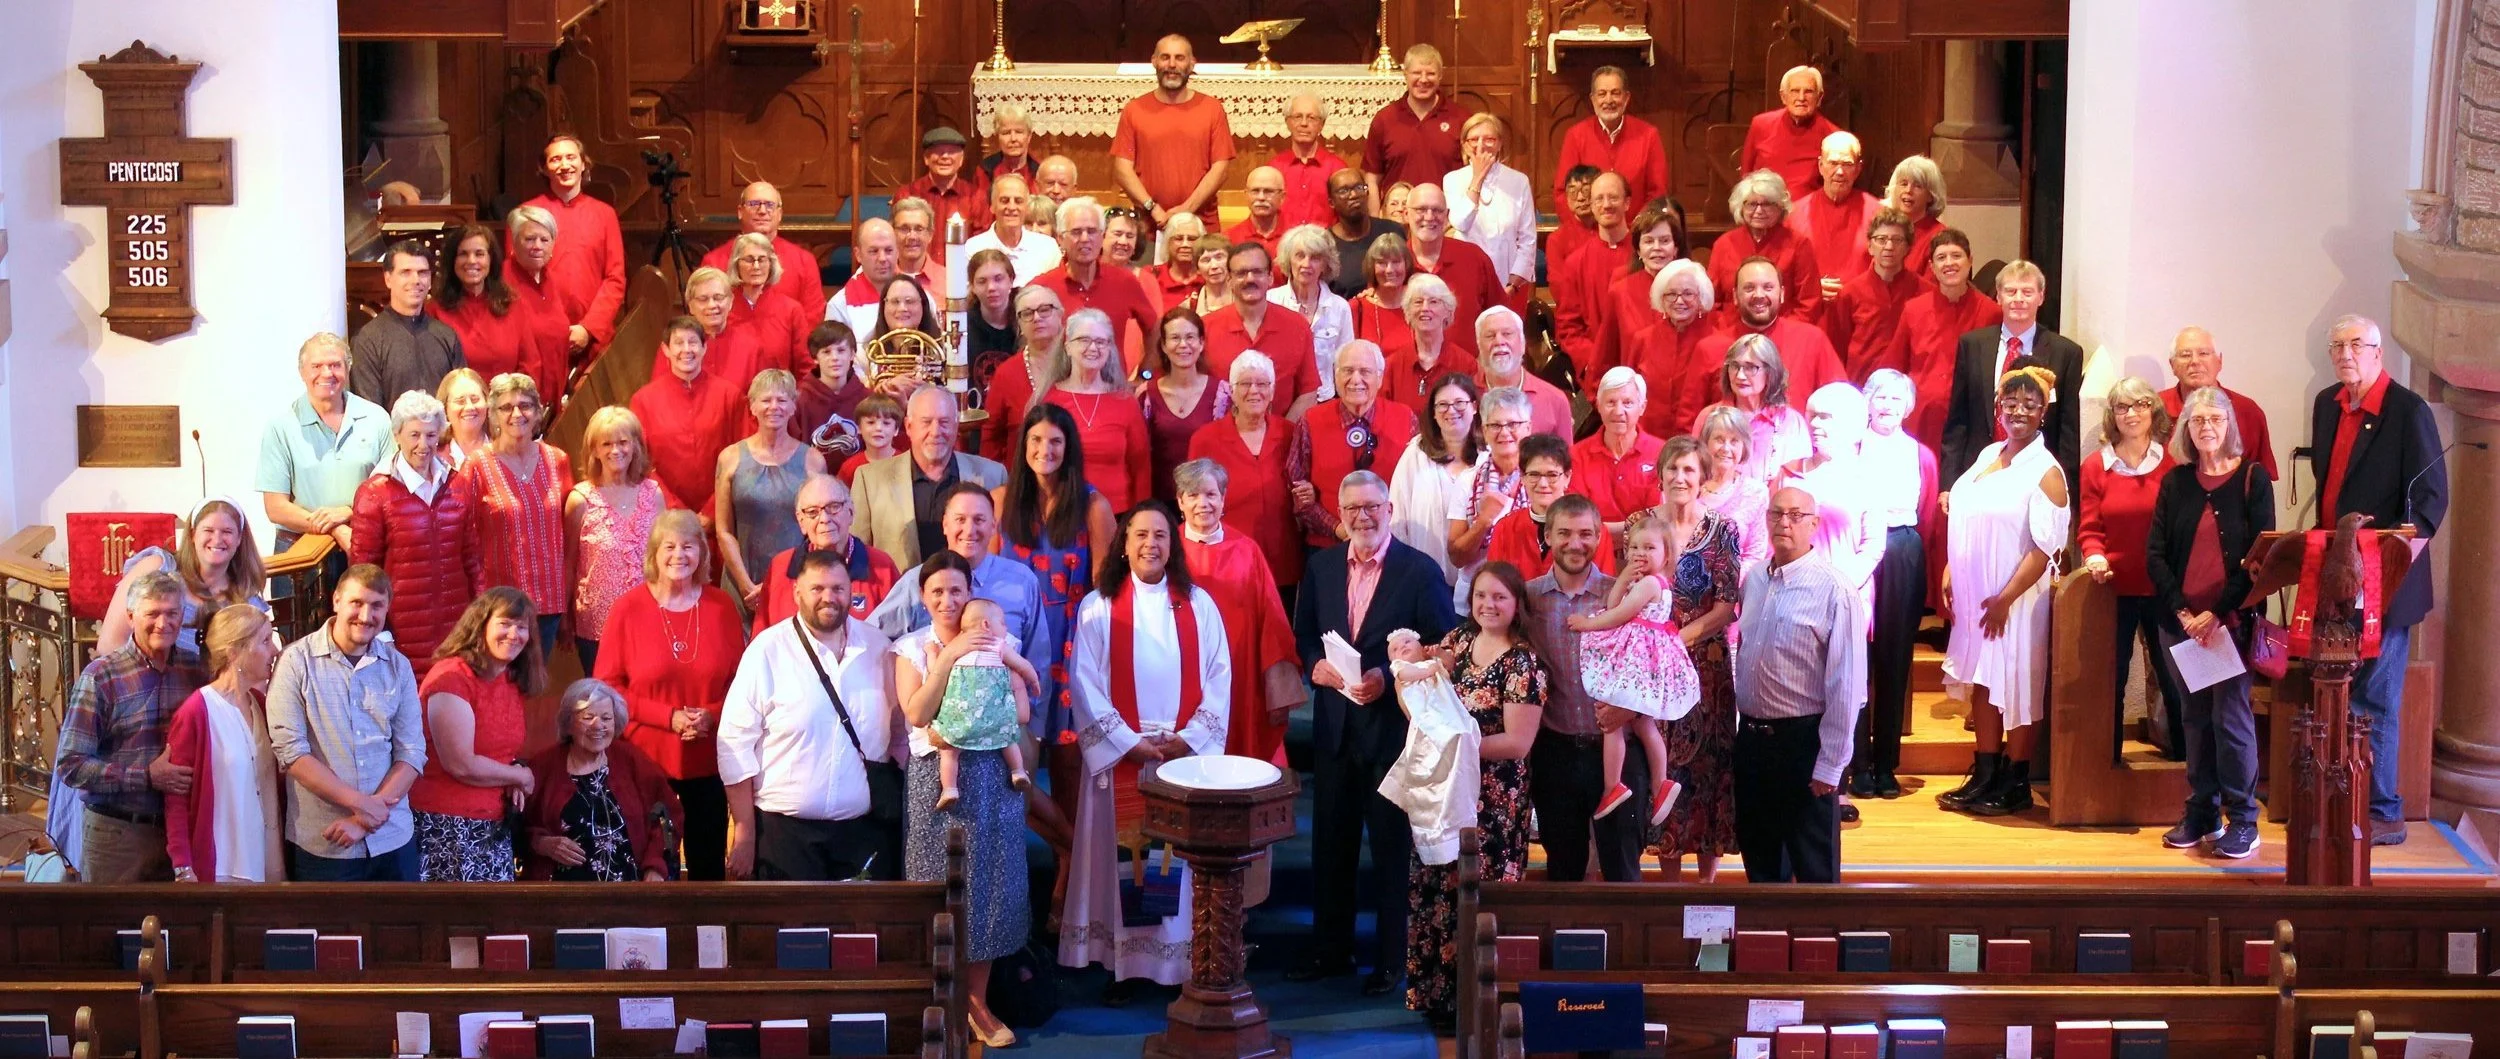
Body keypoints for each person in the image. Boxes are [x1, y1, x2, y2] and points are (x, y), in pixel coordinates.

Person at [1058, 501, 1232, 1001]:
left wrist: (1191, 737)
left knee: (1174, 864)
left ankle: (1175, 967)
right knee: (1128, 861)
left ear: (1172, 543)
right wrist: (1130, 744)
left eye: (1160, 534)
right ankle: (1127, 965)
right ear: (1124, 543)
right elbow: (1085, 683)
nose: (1150, 544)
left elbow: (1220, 674)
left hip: (1181, 753)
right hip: (1124, 759)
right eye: (1140, 535)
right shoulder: (1098, 605)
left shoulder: (1198, 604)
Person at [1291, 472, 1456, 995]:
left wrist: (1387, 677)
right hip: (1336, 730)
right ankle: (1329, 952)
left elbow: (1442, 644)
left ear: (1389, 509)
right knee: (1329, 847)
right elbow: (1304, 637)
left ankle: (1392, 962)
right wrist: (1315, 664)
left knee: (1390, 850)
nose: (1362, 516)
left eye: (1371, 507)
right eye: (1352, 507)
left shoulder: (1419, 570)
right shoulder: (1319, 567)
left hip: (1393, 733)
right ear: (1339, 512)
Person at [2310, 313, 2446, 845]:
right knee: (2336, 695)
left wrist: (2388, 563)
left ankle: (2383, 808)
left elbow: (2432, 502)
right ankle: (2343, 798)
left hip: (2388, 581)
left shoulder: (2408, 410)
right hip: (2335, 574)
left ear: (2378, 351)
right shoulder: (2327, 404)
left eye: (2357, 345)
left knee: (2375, 696)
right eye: (2337, 346)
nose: (2346, 354)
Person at [890, 553, 1035, 1047]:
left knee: (992, 883)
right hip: (939, 775)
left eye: (957, 590)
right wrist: (948, 657)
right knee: (939, 883)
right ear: (923, 596)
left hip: (994, 770)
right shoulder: (911, 648)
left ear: (971, 590)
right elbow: (916, 713)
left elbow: (1021, 708)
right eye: (937, 592)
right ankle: (937, 995)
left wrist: (1009, 700)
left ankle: (977, 1001)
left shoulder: (1001, 641)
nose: (948, 601)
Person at [1401, 562, 1544, 1034]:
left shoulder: (1523, 662)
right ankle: (1438, 997)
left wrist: (1454, 744)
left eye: (1500, 597)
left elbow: (1518, 744)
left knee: (1478, 893)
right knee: (1437, 885)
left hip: (1493, 799)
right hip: (1444, 791)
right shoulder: (1456, 643)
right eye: (1482, 595)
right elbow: (1419, 697)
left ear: (1517, 603)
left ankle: (1475, 999)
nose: (1489, 605)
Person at [2144, 387, 2275, 859]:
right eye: (2196, 420)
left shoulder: (2252, 480)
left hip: (2230, 627)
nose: (2205, 427)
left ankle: (2243, 819)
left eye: (2214, 419)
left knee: (2231, 720)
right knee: (2194, 719)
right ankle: (2202, 811)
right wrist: (2184, 612)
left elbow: (2262, 558)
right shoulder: (2175, 482)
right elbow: (2155, 555)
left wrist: (2216, 615)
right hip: (2181, 625)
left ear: (2229, 426)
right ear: (2185, 429)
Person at [1939, 363, 2072, 817]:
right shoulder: (1987, 455)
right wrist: (1952, 569)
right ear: (1999, 407)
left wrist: (2005, 599)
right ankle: (1984, 772)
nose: (2018, 411)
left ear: (2042, 414)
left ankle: (2014, 780)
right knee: (1982, 679)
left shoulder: (2046, 472)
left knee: (2014, 684)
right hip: (1980, 596)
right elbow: (1967, 515)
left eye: (2029, 405)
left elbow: (2044, 549)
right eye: (2010, 403)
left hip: (2014, 601)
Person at [720, 552, 902, 880]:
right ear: (797, 593)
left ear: (851, 592)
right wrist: (745, 830)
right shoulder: (767, 650)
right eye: (817, 588)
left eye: (838, 588)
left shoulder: (878, 648)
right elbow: (733, 744)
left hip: (861, 835)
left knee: (858, 932)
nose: (828, 598)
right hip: (784, 836)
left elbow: (900, 729)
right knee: (792, 933)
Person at [592, 508, 743, 880]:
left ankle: (707, 938)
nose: (679, 555)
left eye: (689, 546)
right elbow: (606, 688)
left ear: (702, 555)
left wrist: (711, 714)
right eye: (669, 546)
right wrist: (668, 717)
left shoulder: (721, 606)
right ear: (654, 554)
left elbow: (742, 685)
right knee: (651, 867)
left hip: (709, 759)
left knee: (708, 868)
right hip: (646, 761)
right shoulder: (627, 610)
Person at [1732, 487, 1865, 882]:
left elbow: (1847, 684)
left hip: (1803, 743)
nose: (1783, 523)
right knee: (1761, 864)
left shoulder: (1835, 590)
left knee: (1814, 869)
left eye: (1795, 515)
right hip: (1753, 741)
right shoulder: (1754, 579)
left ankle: (1818, 944)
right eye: (1776, 514)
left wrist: (1831, 763)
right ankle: (1765, 944)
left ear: (1814, 524)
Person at [1628, 437, 1743, 880]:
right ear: (1660, 475)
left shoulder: (1724, 530)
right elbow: (1632, 585)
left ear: (1703, 478)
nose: (1679, 478)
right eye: (1672, 469)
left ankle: (1708, 883)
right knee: (1665, 766)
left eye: (1689, 471)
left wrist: (1678, 640)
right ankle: (1670, 883)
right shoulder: (1642, 525)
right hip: (1652, 670)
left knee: (1708, 767)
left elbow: (1726, 605)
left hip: (1705, 670)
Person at [266, 565, 427, 881]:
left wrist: (365, 819)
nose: (366, 616)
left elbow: (411, 752)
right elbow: (292, 754)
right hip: (326, 843)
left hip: (393, 840)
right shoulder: (295, 662)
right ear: (337, 600)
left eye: (377, 606)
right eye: (357, 602)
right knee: (330, 932)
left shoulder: (398, 666)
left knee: (401, 932)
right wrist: (362, 806)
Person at [1521, 496, 1646, 881]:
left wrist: (1634, 709)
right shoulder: (1526, 599)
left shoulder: (1625, 596)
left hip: (1618, 750)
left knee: (1624, 868)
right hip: (1554, 752)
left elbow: (1658, 664)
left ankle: (1629, 943)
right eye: (1564, 533)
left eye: (1586, 534)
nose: (1575, 543)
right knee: (1563, 870)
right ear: (1547, 535)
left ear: (1599, 539)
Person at [58, 572, 206, 882]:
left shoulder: (196, 669)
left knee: (180, 929)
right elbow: (71, 765)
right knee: (111, 929)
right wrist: (147, 776)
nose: (163, 623)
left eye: (172, 613)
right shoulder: (101, 676)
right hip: (117, 835)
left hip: (181, 834)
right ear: (130, 616)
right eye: (152, 613)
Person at [993, 403, 1118, 747]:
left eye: (1055, 441)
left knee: (1069, 755)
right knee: (1016, 754)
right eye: (1036, 439)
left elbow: (1104, 589)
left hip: (1070, 639)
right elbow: (984, 579)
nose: (1044, 450)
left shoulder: (1094, 507)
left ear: (1069, 447)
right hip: (1013, 641)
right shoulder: (1000, 502)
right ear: (1024, 445)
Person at [1567, 514, 1701, 824]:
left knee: (1613, 722)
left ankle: (1615, 786)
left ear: (1665, 554)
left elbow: (1618, 615)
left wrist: (1586, 624)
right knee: (1642, 724)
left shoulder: (1653, 583)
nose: (1640, 553)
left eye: (1649, 548)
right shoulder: (1640, 582)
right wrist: (1625, 577)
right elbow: (1616, 602)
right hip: (1638, 659)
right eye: (1634, 547)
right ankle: (1659, 782)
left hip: (1638, 661)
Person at [2081, 377, 2188, 759]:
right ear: (2112, 416)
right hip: (2113, 588)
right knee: (2113, 677)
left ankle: (2184, 763)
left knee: (2174, 676)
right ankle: (2105, 762)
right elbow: (2090, 527)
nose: (2132, 414)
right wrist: (2093, 555)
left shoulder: (2173, 464)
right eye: (2122, 407)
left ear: (2153, 412)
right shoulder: (2096, 466)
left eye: (2141, 404)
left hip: (2163, 589)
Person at [409, 588, 544, 881]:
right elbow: (460, 764)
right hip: (446, 827)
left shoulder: (509, 678)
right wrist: (519, 777)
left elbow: (501, 753)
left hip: (493, 824)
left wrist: (513, 770)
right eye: (504, 624)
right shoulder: (452, 677)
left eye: (522, 627)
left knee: (494, 924)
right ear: (480, 625)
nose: (514, 634)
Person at [1173, 459, 1302, 763]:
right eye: (1192, 496)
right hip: (1182, 674)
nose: (1202, 504)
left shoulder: (1246, 550)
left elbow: (1273, 623)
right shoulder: (1167, 549)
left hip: (1239, 676)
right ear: (1180, 501)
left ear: (1223, 498)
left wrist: (1275, 688)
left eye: (1211, 494)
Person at [1856, 370, 1941, 798]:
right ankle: (1856, 763)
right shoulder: (1852, 448)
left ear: (1908, 405)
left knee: (1894, 659)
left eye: (1895, 397)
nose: (1886, 404)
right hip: (1857, 553)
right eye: (1878, 396)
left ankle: (1886, 763)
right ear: (1866, 402)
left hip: (1902, 548)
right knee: (1857, 659)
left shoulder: (1920, 454)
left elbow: (1926, 513)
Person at [350, 391, 482, 663]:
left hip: (457, 631)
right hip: (401, 637)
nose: (423, 444)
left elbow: (473, 559)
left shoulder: (459, 484)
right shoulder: (374, 493)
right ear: (397, 435)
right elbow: (364, 573)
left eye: (431, 435)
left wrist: (480, 618)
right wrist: (381, 632)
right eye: (414, 435)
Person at [161, 605, 284, 883]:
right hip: (223, 866)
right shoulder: (196, 711)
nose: (274, 651)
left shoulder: (261, 704)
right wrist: (182, 864)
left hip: (267, 860)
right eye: (265, 641)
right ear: (234, 652)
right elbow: (176, 797)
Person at [460, 373, 575, 656]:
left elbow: (567, 533)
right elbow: (466, 539)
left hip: (549, 602)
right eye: (506, 407)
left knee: (534, 688)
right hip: (500, 605)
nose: (516, 413)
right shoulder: (477, 465)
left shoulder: (557, 459)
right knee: (502, 688)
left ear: (537, 413)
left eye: (525, 405)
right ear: (494, 416)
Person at [522, 679, 684, 881]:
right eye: (587, 717)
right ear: (568, 723)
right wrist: (541, 843)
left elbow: (668, 817)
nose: (598, 725)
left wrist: (655, 866)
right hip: (560, 898)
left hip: (629, 893)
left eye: (606, 718)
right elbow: (515, 828)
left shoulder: (632, 761)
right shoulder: (542, 767)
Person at [1942, 260, 2084, 489]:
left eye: (2027, 292)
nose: (2019, 298)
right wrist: (1948, 484)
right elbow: (1958, 421)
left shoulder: (2065, 353)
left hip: (2038, 477)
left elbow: (2068, 432)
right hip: (1979, 470)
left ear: (2041, 296)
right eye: (2011, 291)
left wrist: (2065, 489)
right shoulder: (1972, 345)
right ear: (1998, 297)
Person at [259, 333, 391, 553]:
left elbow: (390, 490)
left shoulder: (377, 418)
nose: (326, 373)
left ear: (348, 369)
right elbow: (276, 508)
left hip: (362, 543)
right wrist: (335, 528)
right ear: (302, 372)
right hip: (298, 552)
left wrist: (348, 512)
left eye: (335, 365)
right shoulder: (280, 427)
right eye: (316, 366)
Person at [853, 385, 1008, 569]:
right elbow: (858, 555)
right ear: (909, 427)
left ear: (956, 426)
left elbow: (1004, 554)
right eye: (926, 422)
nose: (935, 432)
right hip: (899, 595)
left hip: (975, 595)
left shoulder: (993, 475)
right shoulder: (869, 480)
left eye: (944, 422)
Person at [98, 497, 269, 658]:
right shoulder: (157, 567)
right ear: (193, 535)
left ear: (239, 538)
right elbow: (109, 644)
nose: (217, 539)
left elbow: (251, 668)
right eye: (208, 530)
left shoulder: (247, 599)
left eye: (227, 532)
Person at [568, 406, 671, 672]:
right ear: (594, 450)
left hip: (649, 617)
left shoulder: (653, 493)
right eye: (607, 444)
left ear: (636, 445)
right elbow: (568, 563)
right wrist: (565, 620)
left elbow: (666, 558)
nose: (616, 450)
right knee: (603, 701)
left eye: (624, 442)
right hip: (595, 623)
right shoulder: (580, 500)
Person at [717, 370, 831, 609]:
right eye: (766, 400)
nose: (774, 407)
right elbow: (724, 530)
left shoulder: (813, 461)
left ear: (792, 407)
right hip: (742, 583)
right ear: (752, 407)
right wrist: (745, 585)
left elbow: (819, 532)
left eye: (782, 400)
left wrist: (786, 582)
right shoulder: (730, 458)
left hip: (796, 583)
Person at [1189, 351, 1302, 588]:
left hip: (1283, 559)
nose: (1254, 391)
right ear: (1232, 390)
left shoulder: (1290, 433)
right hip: (1226, 560)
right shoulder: (1205, 439)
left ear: (1272, 392)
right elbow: (1193, 503)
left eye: (1262, 384)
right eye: (1245, 384)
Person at [1777, 383, 1883, 632]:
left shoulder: (1867, 477)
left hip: (1846, 594)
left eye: (1825, 418)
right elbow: (1773, 534)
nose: (1814, 424)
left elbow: (1873, 545)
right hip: (1791, 594)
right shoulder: (1788, 473)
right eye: (1811, 416)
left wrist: (1842, 585)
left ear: (1850, 422)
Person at [1291, 342, 1417, 548]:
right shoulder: (1310, 420)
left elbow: (1416, 487)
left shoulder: (1405, 418)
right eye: (1347, 371)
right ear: (1335, 375)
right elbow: (1298, 492)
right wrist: (1337, 529)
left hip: (1390, 545)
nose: (1355, 379)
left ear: (1379, 378)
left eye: (1365, 371)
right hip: (1327, 547)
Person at [921, 597, 1037, 809]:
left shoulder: (956, 647)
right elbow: (1022, 665)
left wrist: (931, 652)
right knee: (1008, 739)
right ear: (986, 625)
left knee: (949, 751)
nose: (1005, 627)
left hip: (961, 720)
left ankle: (949, 789)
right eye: (1002, 622)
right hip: (994, 718)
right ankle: (1018, 771)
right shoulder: (998, 645)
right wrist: (1034, 680)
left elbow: (934, 669)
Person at [518, 134, 627, 360]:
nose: (564, 165)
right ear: (544, 168)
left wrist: (588, 328)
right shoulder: (526, 214)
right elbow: (517, 280)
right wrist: (549, 329)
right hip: (540, 339)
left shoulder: (605, 214)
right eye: (555, 159)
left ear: (583, 163)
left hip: (594, 338)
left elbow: (615, 278)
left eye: (571, 157)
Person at [1691, 261, 1845, 418]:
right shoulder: (1708, 348)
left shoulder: (1813, 340)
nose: (1759, 295)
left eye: (1768, 287)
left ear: (1782, 294)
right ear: (1735, 296)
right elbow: (1690, 420)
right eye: (1749, 288)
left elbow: (1840, 401)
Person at [1891, 228, 2000, 448]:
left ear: (1970, 261)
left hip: (1970, 422)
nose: (1949, 263)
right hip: (1921, 420)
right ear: (1932, 267)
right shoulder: (1913, 310)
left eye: (1956, 256)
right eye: (1941, 257)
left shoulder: (1992, 313)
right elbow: (1894, 367)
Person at [1112, 34, 1234, 228]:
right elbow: (1122, 169)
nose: (1171, 64)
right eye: (1165, 57)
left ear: (1192, 63)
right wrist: (1152, 208)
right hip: (1150, 224)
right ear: (1154, 61)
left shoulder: (1212, 108)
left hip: (1200, 223)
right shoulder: (1134, 109)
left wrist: (1187, 209)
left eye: (1179, 58)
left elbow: (1220, 169)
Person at [631, 316, 747, 517]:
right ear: (666, 349)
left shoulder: (730, 395)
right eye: (678, 343)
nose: (686, 350)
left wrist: (713, 511)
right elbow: (641, 462)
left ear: (704, 348)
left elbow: (743, 454)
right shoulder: (643, 401)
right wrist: (675, 510)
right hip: (666, 515)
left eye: (693, 342)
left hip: (724, 512)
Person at [435, 224, 564, 403]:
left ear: (491, 260)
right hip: (458, 414)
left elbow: (530, 365)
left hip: (508, 412)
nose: (471, 260)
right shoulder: (435, 310)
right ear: (452, 261)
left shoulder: (512, 305)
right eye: (463, 254)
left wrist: (509, 408)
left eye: (479, 254)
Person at [1046, 308, 1155, 512]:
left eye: (1101, 341)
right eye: (1084, 340)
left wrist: (1141, 514)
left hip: (1118, 514)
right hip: (1063, 515)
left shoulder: (1125, 402)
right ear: (1067, 346)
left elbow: (1140, 466)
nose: (1093, 348)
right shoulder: (1050, 401)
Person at [1034, 197, 1161, 363]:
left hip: (1113, 386)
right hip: (1058, 385)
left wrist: (1145, 374)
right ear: (1060, 238)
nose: (1085, 238)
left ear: (1102, 236)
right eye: (1076, 232)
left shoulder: (1124, 281)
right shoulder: (1042, 288)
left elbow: (1154, 329)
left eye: (1092, 231)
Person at [1203, 241, 1321, 419]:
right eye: (1241, 273)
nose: (1250, 279)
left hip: (1282, 441)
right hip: (1221, 441)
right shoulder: (1205, 328)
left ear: (1270, 278)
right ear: (1229, 281)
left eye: (1257, 272)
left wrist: (1280, 436)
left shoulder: (1297, 326)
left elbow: (1308, 392)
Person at [1389, 374, 1482, 587]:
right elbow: (1397, 516)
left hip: (1478, 583)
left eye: (1459, 403)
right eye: (1442, 405)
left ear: (1474, 407)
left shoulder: (1488, 456)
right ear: (1433, 412)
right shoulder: (1416, 454)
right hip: (1424, 578)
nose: (1451, 410)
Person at [1484, 435, 1619, 580]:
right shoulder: (1505, 529)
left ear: (1567, 477)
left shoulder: (1591, 529)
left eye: (1552, 475)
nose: (1543, 483)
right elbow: (1495, 586)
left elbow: (1604, 590)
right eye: (1534, 474)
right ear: (1522, 478)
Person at [1442, 113, 1537, 313]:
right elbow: (1460, 222)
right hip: (1466, 280)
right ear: (1465, 145)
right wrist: (1477, 178)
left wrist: (1512, 285)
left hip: (1511, 282)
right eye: (1474, 139)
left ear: (1499, 143)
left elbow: (1528, 239)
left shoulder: (1518, 181)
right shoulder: (1452, 179)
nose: (1481, 145)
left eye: (1489, 139)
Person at [1552, 66, 1669, 223]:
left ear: (1626, 98)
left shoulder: (1649, 135)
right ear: (1593, 99)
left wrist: (1638, 230)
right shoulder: (1576, 136)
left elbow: (1657, 192)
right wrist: (1586, 231)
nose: (1609, 100)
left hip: (1635, 236)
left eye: (1615, 93)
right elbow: (1562, 193)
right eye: (1602, 94)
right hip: (1589, 236)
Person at [1446, 387, 1535, 589]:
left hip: (1529, 592)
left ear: (1528, 428)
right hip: (1475, 596)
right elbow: (1456, 557)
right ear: (1484, 431)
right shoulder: (1468, 481)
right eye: (1495, 425)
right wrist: (1483, 521)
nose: (1504, 432)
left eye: (1513, 424)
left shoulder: (1542, 480)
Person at [1592, 200, 1690, 380]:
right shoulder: (1620, 293)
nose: (1657, 248)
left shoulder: (1693, 289)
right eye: (1648, 241)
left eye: (1665, 240)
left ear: (1676, 248)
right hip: (1634, 397)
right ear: (1638, 249)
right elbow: (1605, 355)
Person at [1827, 209, 1929, 383]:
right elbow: (1836, 349)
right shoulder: (1850, 293)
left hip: (1906, 388)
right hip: (1859, 385)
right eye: (1881, 240)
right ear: (1870, 246)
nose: (1889, 247)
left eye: (1897, 240)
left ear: (1908, 247)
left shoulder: (1926, 293)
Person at [2162, 327, 2278, 479]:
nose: (2195, 361)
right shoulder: (2154, 410)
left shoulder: (2247, 411)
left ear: (2219, 361)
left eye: (2203, 353)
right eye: (2185, 355)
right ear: (2172, 365)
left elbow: (2262, 478)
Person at [1403, 185, 1505, 357]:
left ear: (1446, 215)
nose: (1429, 217)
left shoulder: (1474, 258)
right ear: (1406, 214)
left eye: (1437, 210)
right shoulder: (1392, 266)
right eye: (1421, 209)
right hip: (1410, 374)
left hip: (1469, 376)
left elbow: (1500, 316)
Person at [1709, 171, 1825, 322]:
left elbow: (1810, 303)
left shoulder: (1798, 245)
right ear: (1741, 208)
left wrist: (1783, 334)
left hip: (1783, 336)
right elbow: (1711, 302)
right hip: (1732, 335)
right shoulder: (1724, 244)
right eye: (1751, 204)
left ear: (1780, 207)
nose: (1758, 211)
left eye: (1767, 204)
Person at [1139, 307, 1229, 501]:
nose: (1183, 345)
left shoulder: (1222, 393)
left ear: (1201, 342)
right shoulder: (1146, 395)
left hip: (1207, 503)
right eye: (1175, 338)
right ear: (1163, 345)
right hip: (1161, 503)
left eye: (1190, 337)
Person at [1553, 172, 1636, 377]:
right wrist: (1594, 362)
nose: (1606, 205)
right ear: (1591, 205)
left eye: (1613, 197)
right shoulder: (1576, 262)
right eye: (1599, 198)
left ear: (1627, 203)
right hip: (1597, 372)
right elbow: (1568, 327)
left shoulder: (1645, 255)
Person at [1700, 333, 1812, 483]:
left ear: (1770, 372)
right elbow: (1698, 474)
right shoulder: (1709, 416)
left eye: (1750, 367)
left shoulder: (1791, 422)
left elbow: (1799, 483)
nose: (1740, 375)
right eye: (1734, 366)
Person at [699, 180, 827, 309]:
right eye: (754, 204)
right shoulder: (714, 262)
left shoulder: (804, 261)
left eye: (770, 205)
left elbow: (813, 315)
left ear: (780, 214)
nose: (762, 211)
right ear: (740, 211)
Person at [1365, 44, 1465, 207]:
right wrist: (1377, 222)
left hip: (1445, 219)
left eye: (1431, 73)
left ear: (1440, 76)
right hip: (1397, 220)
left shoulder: (1461, 119)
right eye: (1417, 73)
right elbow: (1372, 178)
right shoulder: (1385, 119)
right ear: (1405, 75)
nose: (1423, 80)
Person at [981, 286, 1068, 465]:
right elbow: (991, 437)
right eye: (1027, 313)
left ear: (1061, 315)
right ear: (1019, 325)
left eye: (1045, 310)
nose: (1036, 318)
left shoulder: (1077, 364)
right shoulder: (1006, 373)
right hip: (1019, 479)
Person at [1570, 367, 1665, 528]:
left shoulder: (1662, 453)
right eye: (1611, 402)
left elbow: (1659, 519)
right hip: (1592, 550)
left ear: (1642, 407)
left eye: (1627, 403)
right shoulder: (1576, 455)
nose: (1618, 411)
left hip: (1647, 548)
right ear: (1598, 406)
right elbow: (1578, 520)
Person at [1788, 131, 1881, 295]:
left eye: (1847, 164)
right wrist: (1812, 287)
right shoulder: (1793, 214)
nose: (1839, 171)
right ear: (1820, 166)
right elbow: (1785, 268)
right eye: (1832, 163)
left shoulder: (1879, 214)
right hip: (1809, 308)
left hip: (1860, 308)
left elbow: (1887, 268)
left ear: (1858, 169)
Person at [1270, 223, 1356, 400]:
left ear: (1325, 265)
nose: (1306, 264)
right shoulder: (1270, 301)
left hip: (1324, 400)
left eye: (1315, 258)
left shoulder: (1340, 307)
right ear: (1288, 260)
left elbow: (1345, 363)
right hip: (1280, 401)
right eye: (1300, 256)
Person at [1379, 274, 1480, 422]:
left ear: (1447, 311)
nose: (1425, 308)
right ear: (1408, 311)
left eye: (1433, 302)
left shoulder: (1466, 364)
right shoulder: (1391, 366)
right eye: (1418, 302)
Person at [1634, 260, 1717, 434]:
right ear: (1661, 299)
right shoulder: (1643, 339)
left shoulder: (1715, 342)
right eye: (1671, 294)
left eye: (1688, 293)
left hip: (1698, 441)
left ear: (1701, 298)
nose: (1679, 301)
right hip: (1649, 437)